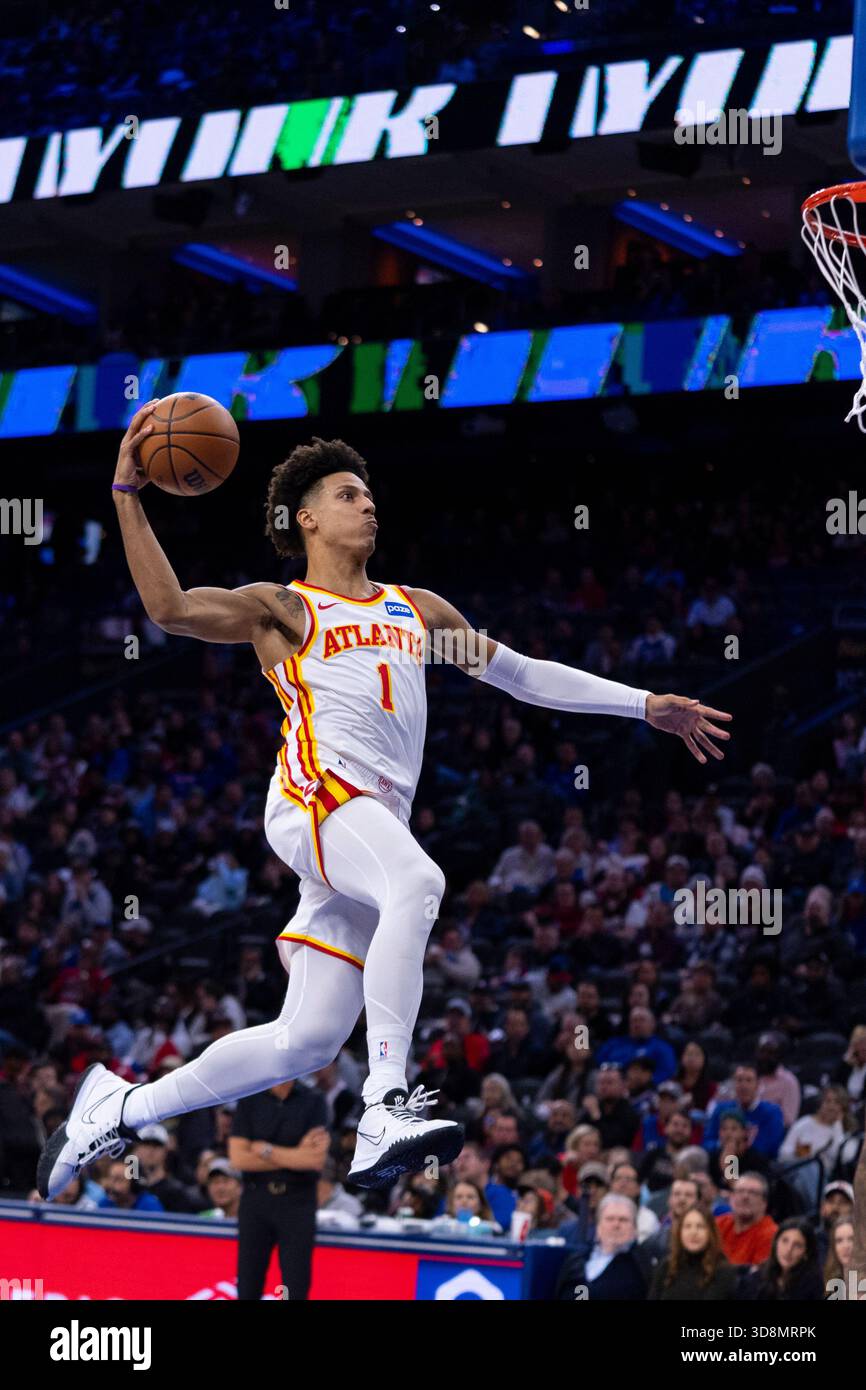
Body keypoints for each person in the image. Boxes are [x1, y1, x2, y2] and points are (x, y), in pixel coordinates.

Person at [38, 422, 732, 1201]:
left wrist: (644, 705)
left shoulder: (417, 610)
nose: (367, 506)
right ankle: (384, 1103)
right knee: (419, 882)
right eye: (346, 495)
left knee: (304, 1041)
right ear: (306, 518)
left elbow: (525, 677)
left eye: (368, 494)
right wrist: (127, 493)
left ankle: (119, 1105)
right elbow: (168, 608)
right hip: (315, 798)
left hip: (367, 829)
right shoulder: (282, 609)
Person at [228, 1079, 329, 1301]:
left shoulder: (314, 1100)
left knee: (296, 1285)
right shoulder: (250, 1098)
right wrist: (294, 1155)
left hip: (298, 1200)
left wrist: (263, 1149)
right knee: (248, 1283)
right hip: (256, 1198)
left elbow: (314, 1159)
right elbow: (238, 1158)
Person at [555, 1194, 650, 1300]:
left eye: (623, 1220)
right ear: (598, 1226)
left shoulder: (641, 1266)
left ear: (634, 1228)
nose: (616, 1225)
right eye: (610, 1219)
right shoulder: (578, 1259)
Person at [648, 1206, 738, 1301]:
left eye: (700, 1226)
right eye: (687, 1226)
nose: (693, 1232)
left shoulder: (723, 1270)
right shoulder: (666, 1266)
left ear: (710, 1232)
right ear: (680, 1233)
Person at [740, 1218, 824, 1300]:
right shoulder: (758, 1277)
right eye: (784, 1241)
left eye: (797, 1245)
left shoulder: (815, 1285)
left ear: (806, 1253)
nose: (788, 1250)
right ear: (776, 1243)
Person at [716, 1172, 778, 1266]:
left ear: (764, 1203)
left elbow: (755, 1277)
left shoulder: (771, 1234)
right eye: (740, 1191)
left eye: (753, 1193)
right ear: (731, 1197)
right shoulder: (719, 1223)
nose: (745, 1197)